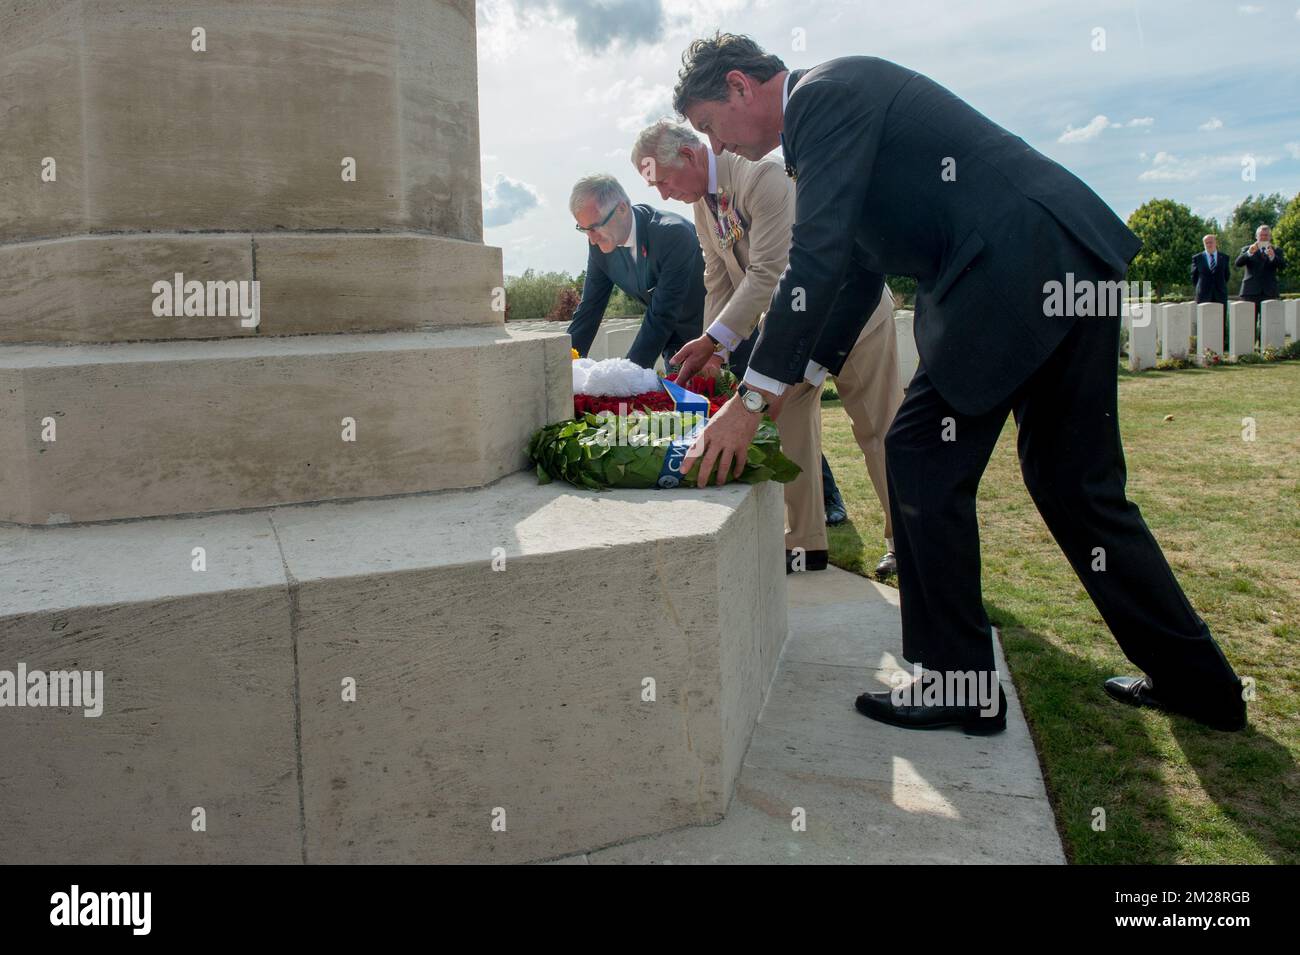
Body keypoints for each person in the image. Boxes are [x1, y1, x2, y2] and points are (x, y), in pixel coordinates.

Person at [672, 33, 1247, 735]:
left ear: (739, 86)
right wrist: (805, 374)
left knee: (917, 453)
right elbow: (855, 271)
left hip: (1014, 266)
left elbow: (815, 259)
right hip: (1064, 257)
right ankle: (1201, 684)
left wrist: (752, 396)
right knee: (1077, 487)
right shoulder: (821, 125)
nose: (719, 144)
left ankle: (959, 682)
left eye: (709, 126)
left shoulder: (822, 97)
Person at [632, 121, 902, 577]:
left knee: (878, 430)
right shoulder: (703, 206)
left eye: (663, 182)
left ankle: (908, 543)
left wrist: (718, 338)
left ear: (691, 156)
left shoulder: (763, 177)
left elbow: (769, 272)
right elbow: (717, 278)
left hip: (852, 316)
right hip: (796, 332)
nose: (662, 196)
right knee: (790, 424)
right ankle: (804, 544)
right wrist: (712, 350)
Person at [566, 174, 704, 370]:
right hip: (674, 348)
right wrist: (562, 367)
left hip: (717, 342)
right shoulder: (600, 246)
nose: (592, 239)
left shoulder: (672, 234)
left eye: (595, 227)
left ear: (621, 208)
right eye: (584, 229)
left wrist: (626, 376)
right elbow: (589, 310)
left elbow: (661, 313)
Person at [1235, 225, 1286, 342]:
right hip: (1250, 291)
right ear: (1256, 236)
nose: (1263, 237)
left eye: (1266, 235)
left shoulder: (1277, 250)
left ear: (1270, 236)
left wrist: (1273, 256)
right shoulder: (1247, 249)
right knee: (1249, 323)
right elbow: (1238, 263)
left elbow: (1283, 266)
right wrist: (1249, 253)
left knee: (1268, 322)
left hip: (1269, 291)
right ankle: (1249, 348)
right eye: (1261, 235)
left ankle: (1266, 348)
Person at [1191, 234, 1230, 345]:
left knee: (1220, 321)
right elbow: (1194, 277)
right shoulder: (1197, 258)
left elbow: (1226, 276)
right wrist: (1201, 288)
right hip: (1203, 294)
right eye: (1206, 243)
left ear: (1215, 243)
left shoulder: (1224, 257)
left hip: (1220, 293)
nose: (1209, 244)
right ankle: (1204, 344)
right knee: (1204, 321)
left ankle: (1221, 344)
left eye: (1211, 242)